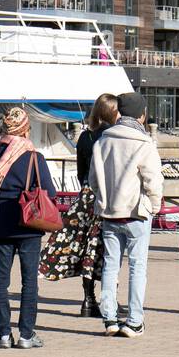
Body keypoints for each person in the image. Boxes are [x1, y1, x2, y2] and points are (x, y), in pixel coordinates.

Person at [0, 106, 55, 349]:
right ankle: (26, 334)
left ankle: (3, 334)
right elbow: (49, 192)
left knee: (1, 279)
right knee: (29, 280)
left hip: (2, 219)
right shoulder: (33, 156)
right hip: (28, 222)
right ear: (25, 128)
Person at [89, 92, 162, 338]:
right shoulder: (144, 144)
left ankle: (109, 317)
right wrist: (154, 204)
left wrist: (103, 199)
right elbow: (152, 180)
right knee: (137, 267)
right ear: (142, 116)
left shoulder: (102, 142)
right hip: (136, 213)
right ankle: (134, 320)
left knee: (111, 265)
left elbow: (93, 180)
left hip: (109, 212)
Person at [72, 93, 118, 317]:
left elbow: (81, 171)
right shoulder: (114, 136)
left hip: (87, 196)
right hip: (110, 196)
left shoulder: (85, 137)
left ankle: (87, 299)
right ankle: (109, 298)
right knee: (111, 249)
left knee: (87, 249)